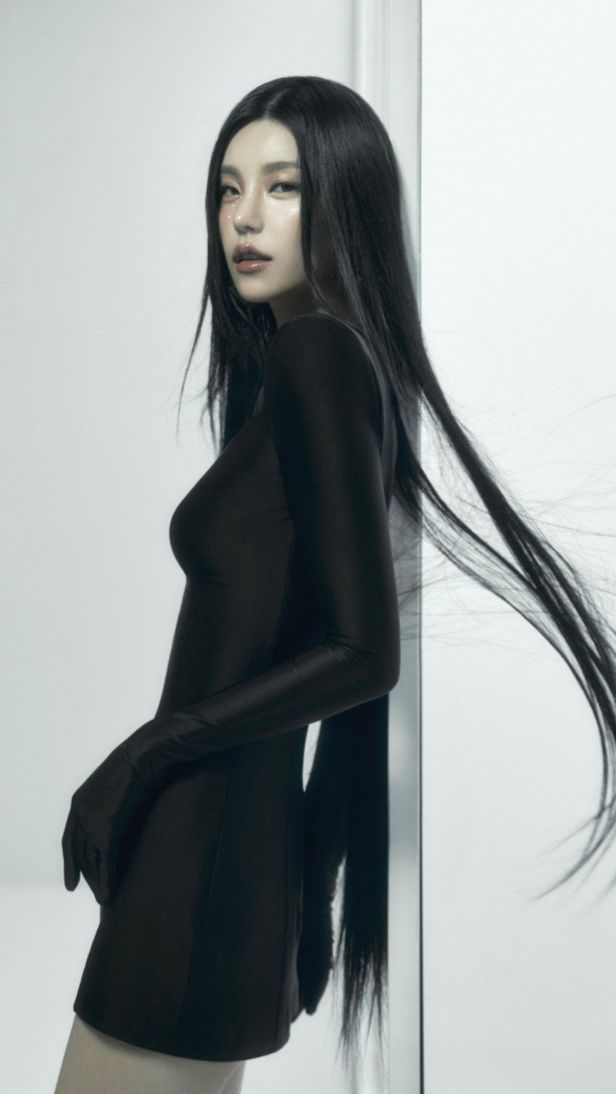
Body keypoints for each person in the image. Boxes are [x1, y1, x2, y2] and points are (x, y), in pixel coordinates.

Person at [55, 75, 616, 1093]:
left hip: (201, 845)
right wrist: (310, 874)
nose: (244, 217)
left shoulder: (318, 356)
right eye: (228, 189)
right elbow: (335, 644)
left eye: (283, 186)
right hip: (230, 854)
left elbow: (362, 654)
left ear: (343, 202)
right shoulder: (326, 366)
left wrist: (142, 752)